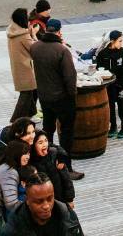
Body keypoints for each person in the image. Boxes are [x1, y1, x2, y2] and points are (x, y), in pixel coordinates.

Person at [30, 20, 84, 180]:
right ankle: (65, 167)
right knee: (66, 133)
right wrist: (72, 97)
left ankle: (46, 163)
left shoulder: (35, 47)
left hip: (44, 97)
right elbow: (69, 77)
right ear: (59, 32)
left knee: (48, 130)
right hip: (62, 98)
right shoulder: (62, 50)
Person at [0, 173, 84, 236]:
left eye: (50, 198)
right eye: (39, 201)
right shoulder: (12, 230)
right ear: (27, 200)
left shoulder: (69, 216)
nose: (46, 206)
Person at [93, 30, 123, 138]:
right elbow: (99, 70)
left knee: (122, 105)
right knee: (110, 106)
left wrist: (122, 83)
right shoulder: (103, 54)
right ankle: (113, 126)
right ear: (112, 41)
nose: (121, 43)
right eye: (120, 41)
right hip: (109, 85)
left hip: (120, 84)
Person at [7, 8, 40, 120]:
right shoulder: (23, 35)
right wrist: (34, 34)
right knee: (26, 94)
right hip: (25, 68)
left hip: (18, 67)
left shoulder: (12, 31)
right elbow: (36, 49)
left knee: (29, 92)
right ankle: (15, 120)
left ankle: (31, 114)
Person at [28, 131, 75, 206]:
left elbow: (66, 179)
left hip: (61, 199)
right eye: (40, 142)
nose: (45, 144)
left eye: (46, 140)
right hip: (44, 203)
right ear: (33, 146)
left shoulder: (55, 155)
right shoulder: (30, 164)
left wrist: (70, 199)